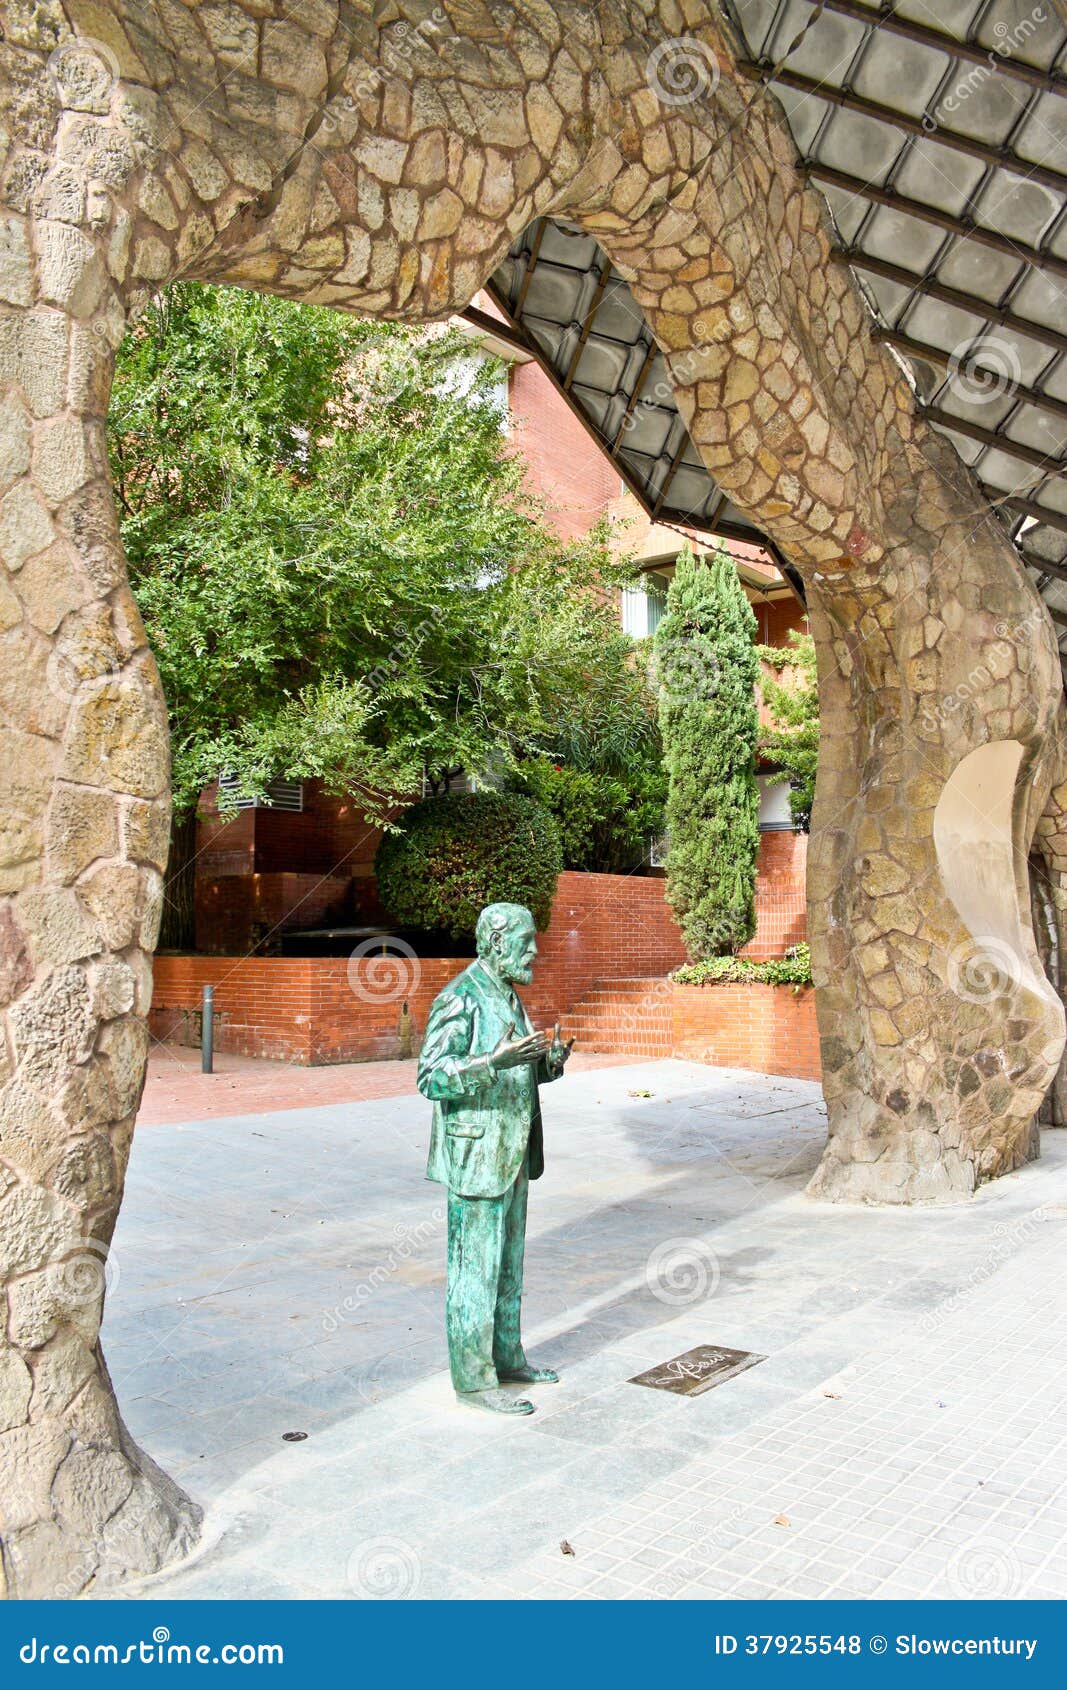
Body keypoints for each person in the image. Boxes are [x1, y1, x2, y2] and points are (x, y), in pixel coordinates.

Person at [417, 901, 573, 1414]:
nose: (535, 952)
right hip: (477, 1154)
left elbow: (516, 1068)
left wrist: (546, 1065)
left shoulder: (508, 995)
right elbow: (430, 1077)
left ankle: (507, 1359)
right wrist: (492, 1061)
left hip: (513, 1150)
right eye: (526, 942)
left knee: (509, 1268)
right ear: (497, 942)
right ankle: (474, 1380)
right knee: (475, 1271)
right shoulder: (459, 999)